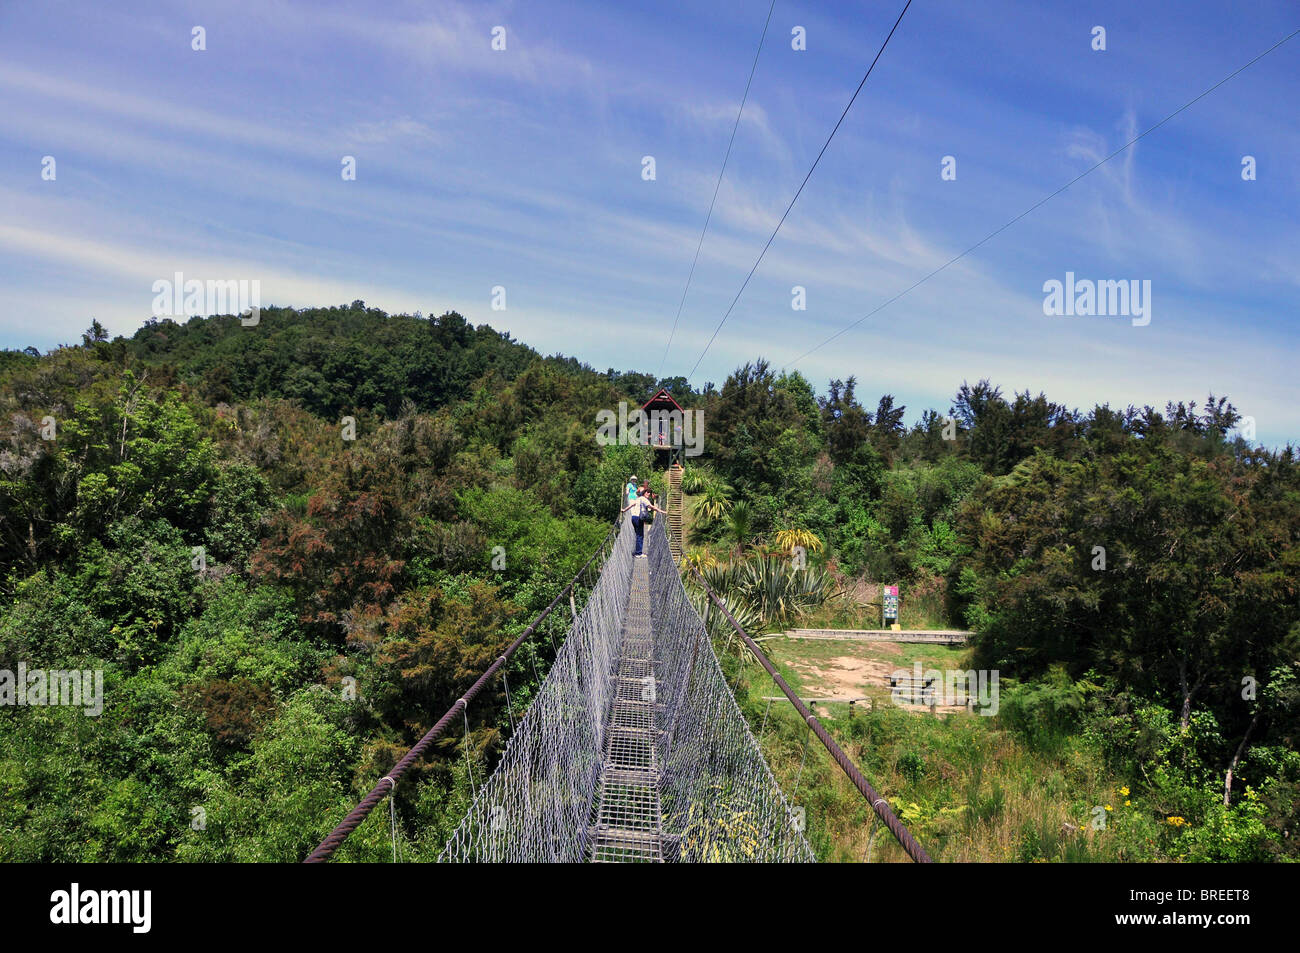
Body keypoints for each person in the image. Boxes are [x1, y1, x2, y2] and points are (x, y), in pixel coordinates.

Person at [622, 484, 666, 558]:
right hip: (639, 518)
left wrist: (624, 510)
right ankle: (639, 553)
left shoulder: (638, 498)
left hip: (633, 518)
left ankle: (637, 551)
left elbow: (631, 505)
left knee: (638, 535)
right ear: (644, 493)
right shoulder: (644, 499)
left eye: (649, 492)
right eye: (647, 492)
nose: (648, 494)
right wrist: (662, 511)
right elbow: (652, 507)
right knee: (640, 536)